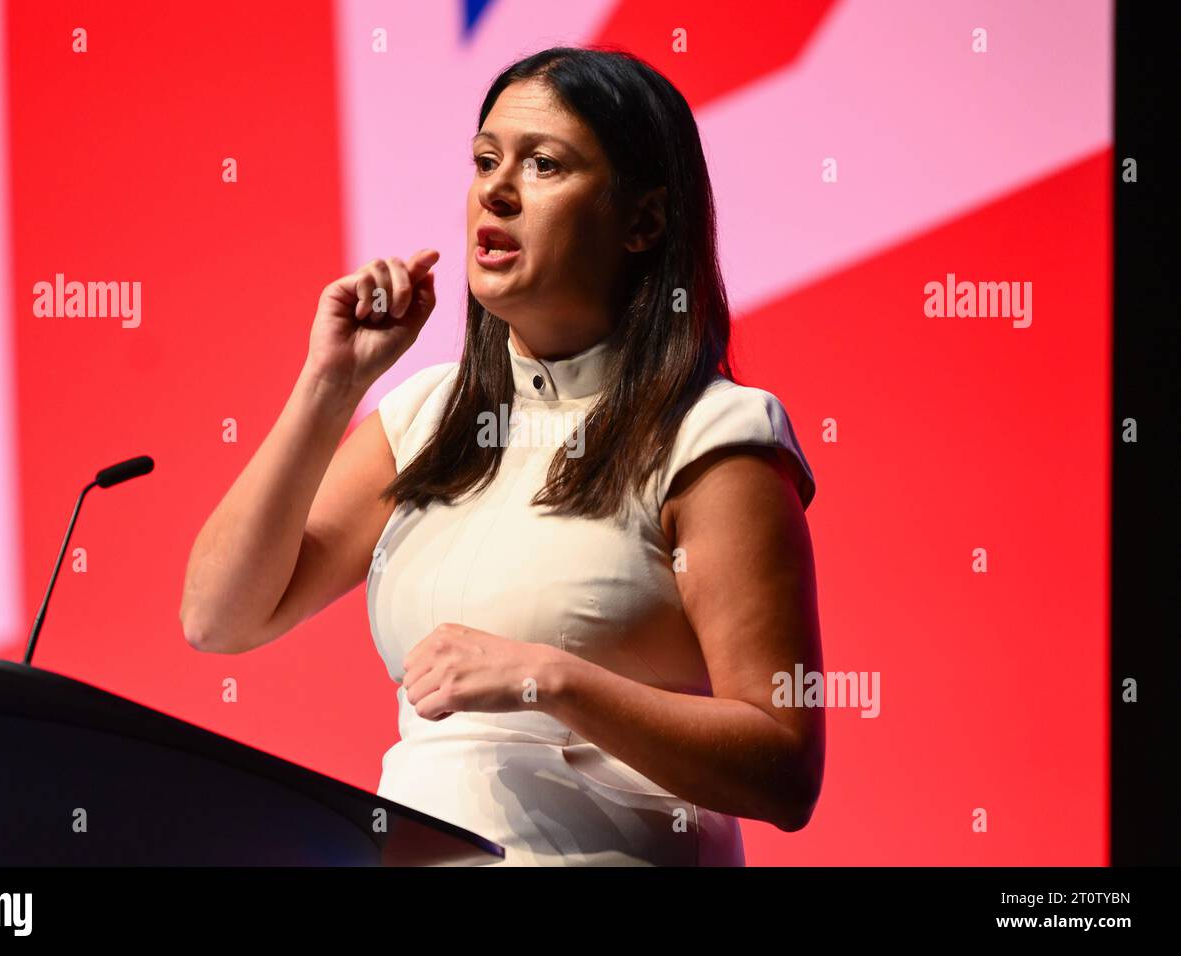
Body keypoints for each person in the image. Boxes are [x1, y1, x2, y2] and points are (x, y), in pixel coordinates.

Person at [180, 45, 823, 866]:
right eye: (486, 160)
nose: (496, 189)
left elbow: (785, 764)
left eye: (544, 164)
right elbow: (219, 617)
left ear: (644, 222)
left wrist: (548, 679)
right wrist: (330, 385)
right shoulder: (428, 418)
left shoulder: (713, 434)